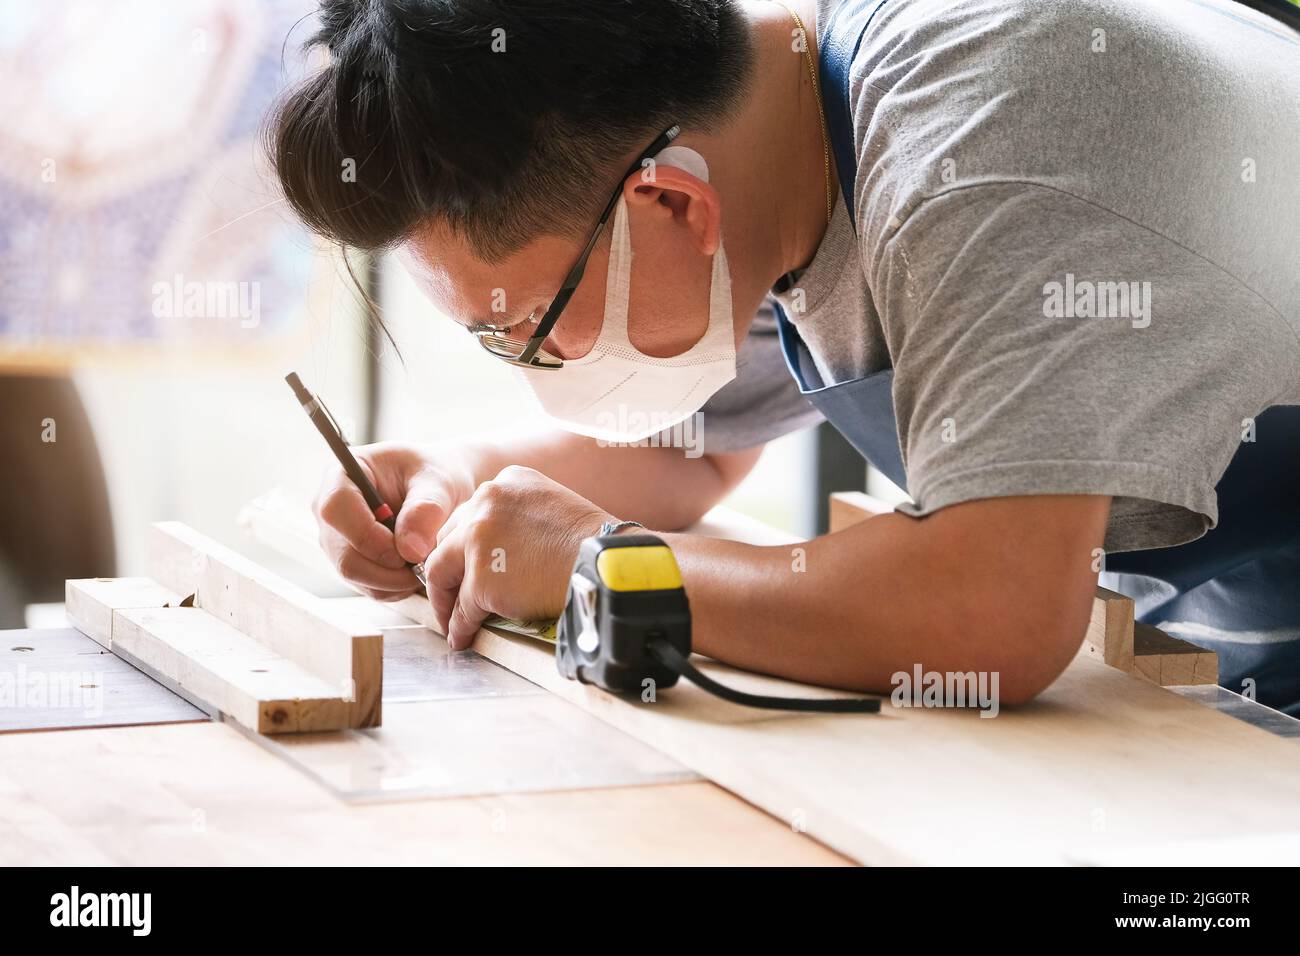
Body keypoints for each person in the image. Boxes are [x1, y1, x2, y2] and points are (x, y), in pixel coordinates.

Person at [267, 0, 1300, 710]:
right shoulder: (774, 135)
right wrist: (465, 479)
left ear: (669, 201)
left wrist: (599, 561)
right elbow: (690, 451)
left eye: (526, 331)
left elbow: (996, 610)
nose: (533, 364)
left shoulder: (976, 138)